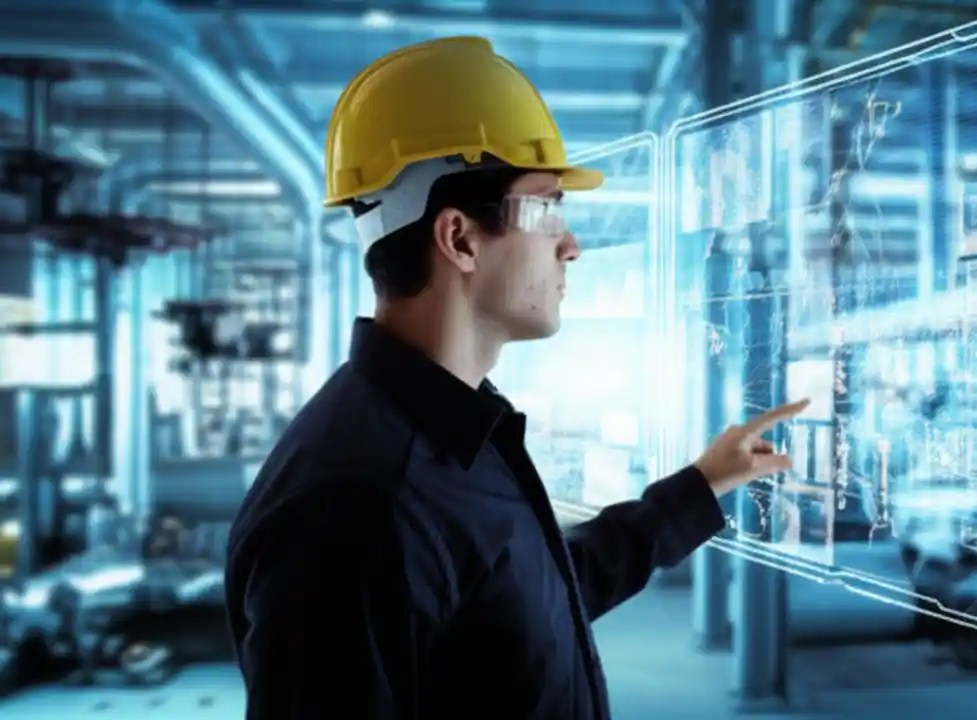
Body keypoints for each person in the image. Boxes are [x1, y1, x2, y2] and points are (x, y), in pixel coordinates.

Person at [223, 36, 809, 720]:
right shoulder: (356, 508)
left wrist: (700, 487)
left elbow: (529, 601)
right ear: (459, 238)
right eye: (546, 207)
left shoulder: (455, 436)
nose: (571, 245)